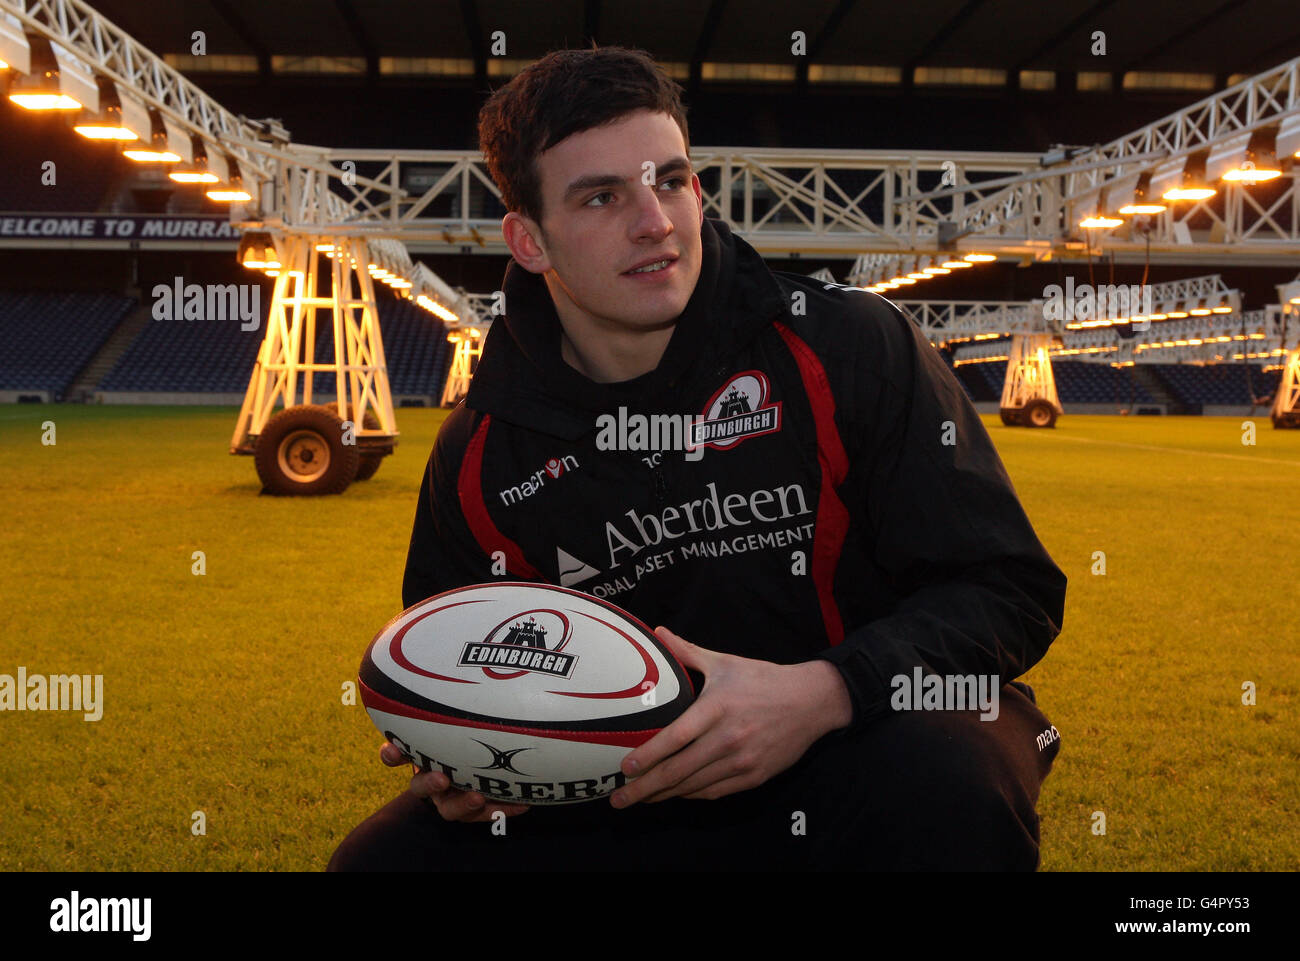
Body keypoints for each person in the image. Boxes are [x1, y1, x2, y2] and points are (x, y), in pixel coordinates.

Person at [328, 45, 1067, 872]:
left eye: (670, 180)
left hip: (862, 735)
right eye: (602, 196)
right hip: (623, 781)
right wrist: (477, 758)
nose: (655, 222)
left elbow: (1010, 589)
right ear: (528, 240)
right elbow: (462, 663)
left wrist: (824, 690)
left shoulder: (848, 342)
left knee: (948, 780)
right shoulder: (482, 449)